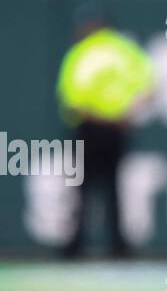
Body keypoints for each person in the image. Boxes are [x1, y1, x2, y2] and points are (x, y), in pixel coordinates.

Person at [55, 18, 154, 259]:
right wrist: (128, 114)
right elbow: (151, 86)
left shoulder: (82, 51)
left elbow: (70, 98)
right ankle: (118, 247)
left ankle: (74, 246)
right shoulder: (124, 49)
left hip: (88, 127)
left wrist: (93, 115)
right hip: (117, 128)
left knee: (81, 188)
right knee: (113, 188)